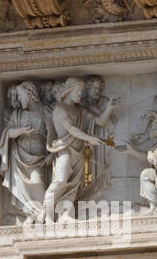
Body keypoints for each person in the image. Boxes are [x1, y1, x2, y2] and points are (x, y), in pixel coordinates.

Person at [44, 76, 116, 222]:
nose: (79, 95)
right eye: (78, 92)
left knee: (74, 186)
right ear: (69, 90)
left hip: (79, 152)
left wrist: (109, 108)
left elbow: (100, 121)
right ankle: (44, 213)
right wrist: (89, 139)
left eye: (81, 92)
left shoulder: (80, 110)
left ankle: (64, 214)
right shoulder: (60, 108)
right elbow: (71, 129)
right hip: (65, 149)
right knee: (61, 180)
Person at [0, 81, 51, 224]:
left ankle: (46, 214)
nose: (19, 99)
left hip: (39, 157)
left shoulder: (45, 111)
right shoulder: (17, 114)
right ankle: (35, 214)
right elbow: (8, 133)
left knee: (37, 181)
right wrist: (22, 131)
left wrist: (52, 153)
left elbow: (54, 133)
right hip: (20, 156)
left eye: (21, 96)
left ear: (30, 94)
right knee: (25, 188)